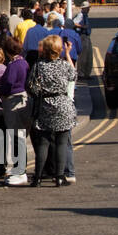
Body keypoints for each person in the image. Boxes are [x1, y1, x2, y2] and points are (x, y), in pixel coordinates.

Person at [29, 35, 77, 187]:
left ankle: (37, 178)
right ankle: (59, 177)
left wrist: (40, 95)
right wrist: (68, 55)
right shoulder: (64, 65)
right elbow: (74, 75)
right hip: (63, 104)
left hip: (46, 104)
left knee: (43, 142)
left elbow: (31, 86)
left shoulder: (39, 65)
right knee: (61, 143)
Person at [0, 37, 31, 187]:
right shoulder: (24, 62)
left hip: (13, 102)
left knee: (17, 137)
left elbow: (9, 82)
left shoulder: (13, 65)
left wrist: (0, 91)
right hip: (22, 100)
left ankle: (20, 171)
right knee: (20, 137)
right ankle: (19, 169)